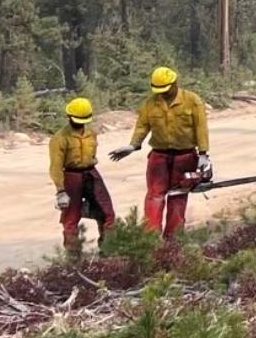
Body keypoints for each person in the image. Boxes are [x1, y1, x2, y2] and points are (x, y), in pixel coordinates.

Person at [108, 66, 210, 240]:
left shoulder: (192, 101)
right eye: (159, 90)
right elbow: (142, 126)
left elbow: (201, 128)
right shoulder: (150, 103)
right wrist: (133, 145)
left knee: (178, 196)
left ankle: (173, 240)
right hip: (159, 156)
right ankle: (151, 239)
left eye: (166, 89)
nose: (162, 93)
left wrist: (203, 154)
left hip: (184, 156)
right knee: (154, 196)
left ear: (175, 83)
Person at [51, 97, 114, 257]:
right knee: (70, 218)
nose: (80, 124)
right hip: (71, 176)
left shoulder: (91, 134)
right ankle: (73, 256)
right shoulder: (59, 138)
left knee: (107, 213)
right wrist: (60, 191)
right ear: (69, 116)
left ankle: (108, 252)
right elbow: (56, 166)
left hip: (91, 173)